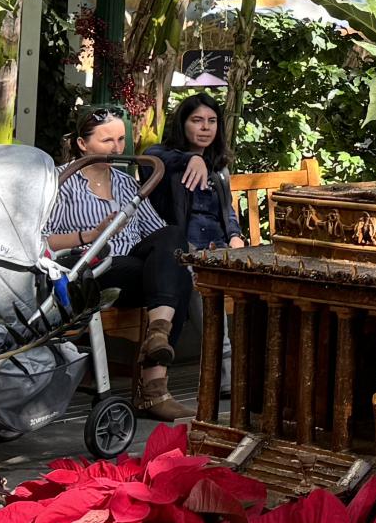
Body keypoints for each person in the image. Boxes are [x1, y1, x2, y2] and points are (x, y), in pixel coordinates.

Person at [49, 105, 191, 421]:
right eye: (107, 141)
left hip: (138, 274)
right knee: (175, 276)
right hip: (91, 269)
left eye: (121, 140)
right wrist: (90, 235)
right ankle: (153, 390)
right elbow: (40, 240)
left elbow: (158, 234)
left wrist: (176, 251)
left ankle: (157, 332)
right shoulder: (61, 182)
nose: (117, 149)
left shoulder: (127, 183)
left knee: (173, 244)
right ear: (82, 144)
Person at [148, 93, 244, 251]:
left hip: (219, 248)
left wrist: (235, 235)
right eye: (197, 120)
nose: (205, 127)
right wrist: (190, 158)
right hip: (183, 250)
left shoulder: (219, 168)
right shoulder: (166, 161)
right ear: (182, 124)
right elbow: (150, 156)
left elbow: (227, 209)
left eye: (212, 121)